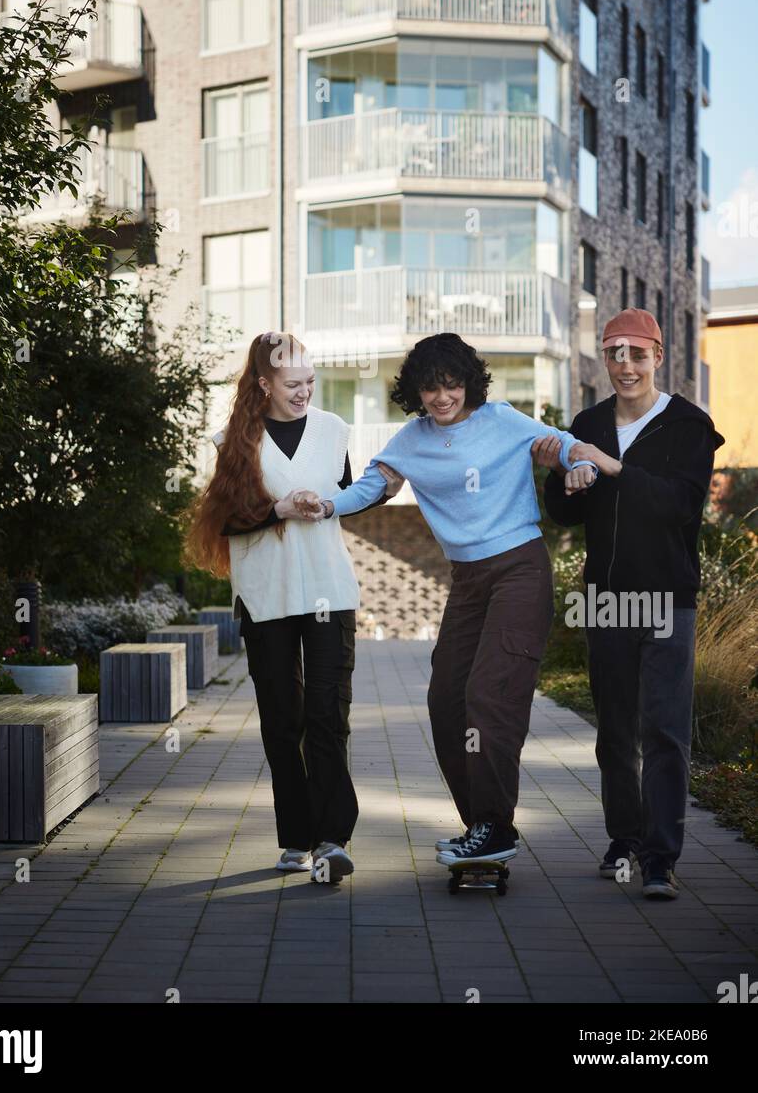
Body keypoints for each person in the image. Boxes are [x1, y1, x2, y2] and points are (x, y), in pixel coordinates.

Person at [298, 333, 598, 870]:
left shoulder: (503, 420)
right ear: (416, 391)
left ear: (468, 383)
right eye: (430, 387)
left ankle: (494, 825)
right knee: (446, 702)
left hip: (519, 570)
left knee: (490, 696)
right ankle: (480, 826)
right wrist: (326, 506)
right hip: (467, 582)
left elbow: (567, 445)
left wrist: (581, 467)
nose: (442, 397)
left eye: (452, 384)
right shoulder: (411, 440)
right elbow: (373, 484)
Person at [185, 331, 398, 880]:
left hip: (328, 590)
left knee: (328, 715)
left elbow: (345, 498)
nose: (305, 392)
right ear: (264, 383)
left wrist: (381, 490)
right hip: (265, 596)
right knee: (284, 721)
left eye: (310, 382)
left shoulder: (333, 431)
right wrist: (279, 507)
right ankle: (295, 837)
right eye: (293, 384)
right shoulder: (233, 439)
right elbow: (224, 521)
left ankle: (331, 839)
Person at [541, 308, 724, 900]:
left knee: (664, 731)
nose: (624, 365)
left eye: (636, 353)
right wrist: (566, 479)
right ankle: (624, 840)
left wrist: (613, 467)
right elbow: (564, 515)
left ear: (658, 356)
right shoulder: (586, 423)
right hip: (606, 601)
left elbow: (680, 507)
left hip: (668, 599)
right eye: (613, 352)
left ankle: (660, 857)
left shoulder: (690, 426)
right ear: (603, 356)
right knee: (615, 729)